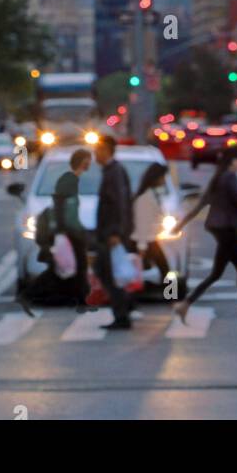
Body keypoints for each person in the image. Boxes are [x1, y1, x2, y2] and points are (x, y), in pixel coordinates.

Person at [174, 144, 237, 326]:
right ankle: (187, 305)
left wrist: (180, 225)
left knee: (227, 271)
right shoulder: (229, 178)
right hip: (228, 229)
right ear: (232, 161)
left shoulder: (219, 177)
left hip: (220, 228)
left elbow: (201, 204)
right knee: (228, 271)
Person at [94, 135, 135, 331]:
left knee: (109, 273)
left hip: (112, 234)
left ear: (106, 150)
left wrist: (116, 233)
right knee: (104, 271)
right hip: (107, 233)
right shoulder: (109, 171)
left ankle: (122, 313)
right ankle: (124, 306)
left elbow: (120, 204)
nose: (95, 154)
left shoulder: (115, 172)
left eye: (98, 150)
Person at [52, 148, 92, 309]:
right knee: (78, 265)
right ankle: (79, 298)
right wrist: (70, 230)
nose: (90, 163)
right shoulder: (69, 180)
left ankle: (78, 296)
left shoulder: (71, 179)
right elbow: (64, 207)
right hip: (71, 231)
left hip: (72, 230)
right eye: (88, 160)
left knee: (77, 265)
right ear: (82, 162)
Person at [133, 161, 172, 291]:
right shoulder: (145, 197)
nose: (164, 180)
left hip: (150, 240)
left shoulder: (152, 194)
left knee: (164, 269)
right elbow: (142, 223)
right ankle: (173, 298)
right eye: (162, 177)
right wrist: (142, 246)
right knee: (165, 269)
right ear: (156, 178)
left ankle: (172, 298)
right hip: (144, 241)